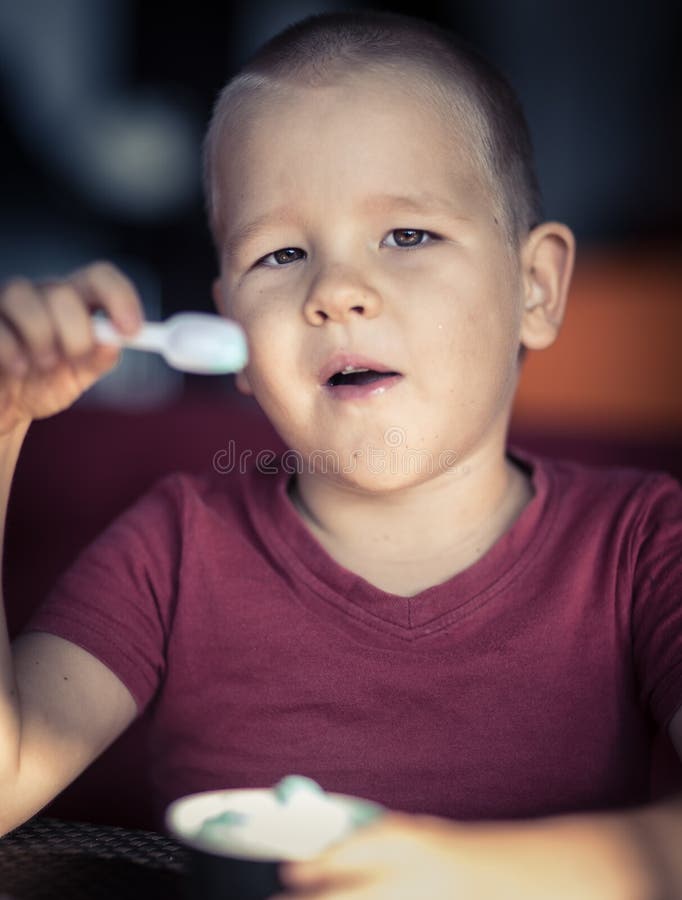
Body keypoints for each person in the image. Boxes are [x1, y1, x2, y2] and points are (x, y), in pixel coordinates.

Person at [0, 9, 680, 899]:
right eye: (281, 254)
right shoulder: (172, 552)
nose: (337, 293)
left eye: (407, 236)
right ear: (228, 327)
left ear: (538, 289)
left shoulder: (643, 547)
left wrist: (456, 877)